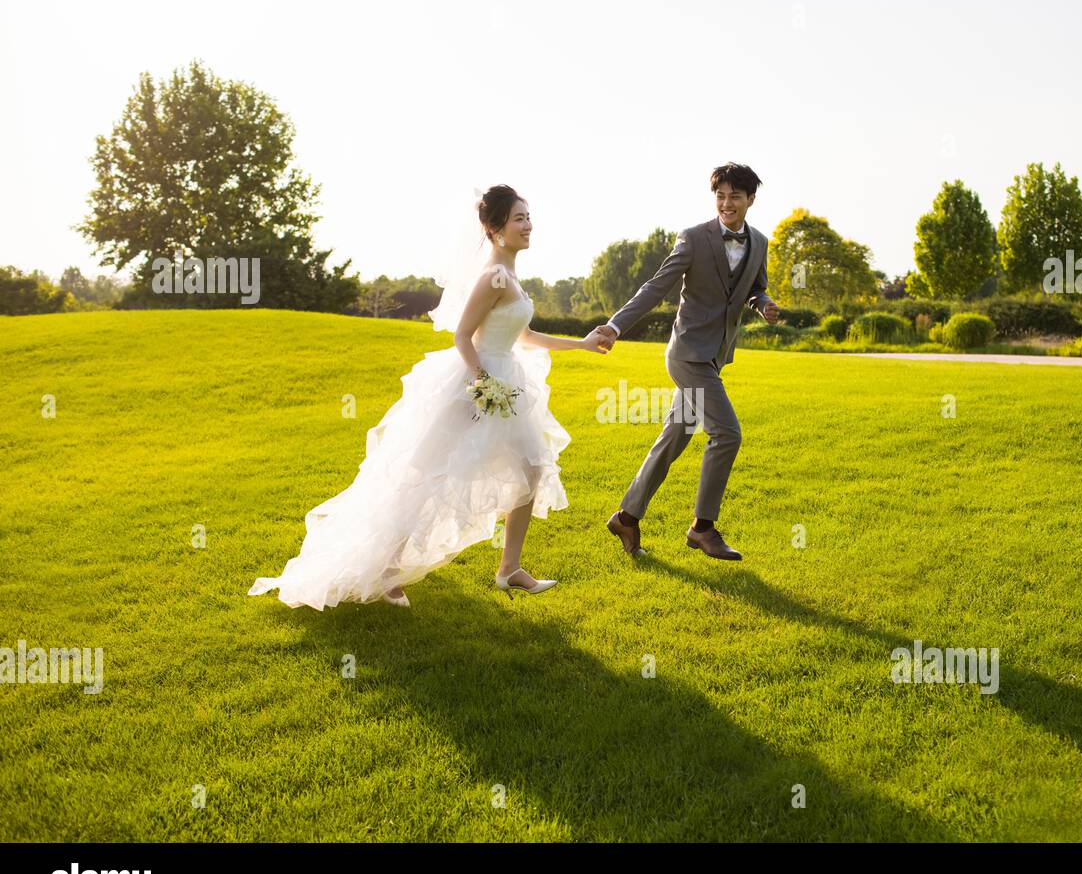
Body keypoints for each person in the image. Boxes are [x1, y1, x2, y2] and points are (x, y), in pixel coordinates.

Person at [248, 185, 609, 609]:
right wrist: (481, 384)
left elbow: (524, 336)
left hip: (505, 386)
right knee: (430, 473)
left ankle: (509, 569)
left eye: (529, 216)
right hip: (476, 388)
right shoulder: (492, 276)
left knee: (531, 469)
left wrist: (582, 345)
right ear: (495, 229)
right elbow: (462, 335)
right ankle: (387, 568)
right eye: (518, 218)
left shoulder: (510, 276)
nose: (528, 225)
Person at [595, 163, 780, 562]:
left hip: (714, 356)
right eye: (720, 195)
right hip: (687, 354)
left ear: (751, 200)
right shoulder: (695, 238)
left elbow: (755, 288)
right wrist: (614, 326)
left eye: (735, 196)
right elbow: (656, 286)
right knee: (727, 434)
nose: (726, 203)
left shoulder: (760, 243)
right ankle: (703, 528)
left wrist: (763, 304)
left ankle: (626, 516)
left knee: (673, 437)